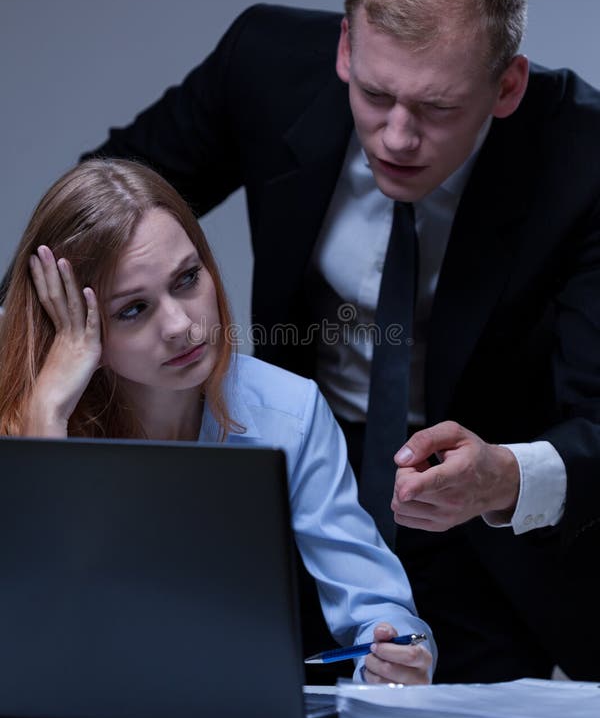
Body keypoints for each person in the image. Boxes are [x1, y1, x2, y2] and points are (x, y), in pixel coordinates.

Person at [6, 0, 600, 682]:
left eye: (437, 109)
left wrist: (506, 477)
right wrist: (33, 364)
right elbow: (95, 224)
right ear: (346, 51)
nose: (396, 136)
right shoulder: (265, 63)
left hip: (479, 519)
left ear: (507, 85)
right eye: (378, 95)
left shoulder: (582, 159)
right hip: (261, 491)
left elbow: (595, 412)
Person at [0, 156, 435, 687]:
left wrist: (396, 653)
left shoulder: (287, 412)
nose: (182, 326)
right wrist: (46, 421)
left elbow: (379, 607)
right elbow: (31, 627)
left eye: (187, 279)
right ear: (72, 327)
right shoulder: (24, 421)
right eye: (133, 309)